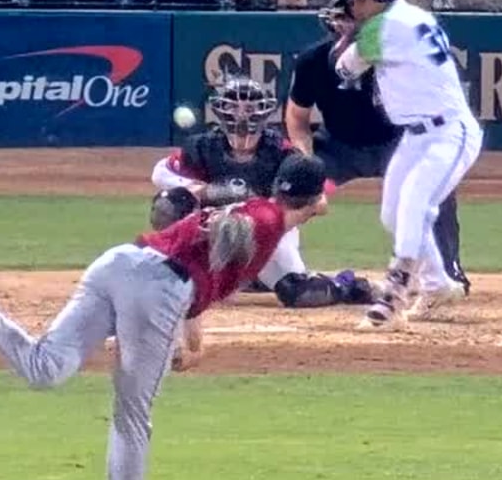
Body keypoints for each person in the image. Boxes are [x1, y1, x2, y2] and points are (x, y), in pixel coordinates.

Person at [0, 153, 334, 480]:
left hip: (119, 264)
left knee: (46, 369)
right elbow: (226, 231)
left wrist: (187, 331)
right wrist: (220, 230)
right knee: (133, 416)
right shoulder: (268, 221)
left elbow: (196, 248)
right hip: (157, 291)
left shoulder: (260, 209)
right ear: (317, 201)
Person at [284, 0, 471, 308]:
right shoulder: (313, 60)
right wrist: (307, 164)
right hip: (338, 147)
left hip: (396, 144)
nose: (347, 26)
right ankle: (273, 270)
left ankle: (447, 272)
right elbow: (297, 118)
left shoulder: (402, 59)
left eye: (354, 18)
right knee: (289, 183)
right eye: (341, 19)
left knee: (435, 192)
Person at [328, 0, 484, 330]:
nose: (355, 8)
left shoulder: (385, 26)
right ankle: (438, 285)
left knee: (416, 202)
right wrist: (355, 32)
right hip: (416, 135)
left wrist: (347, 35)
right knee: (393, 214)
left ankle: (394, 296)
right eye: (351, 2)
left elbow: (344, 68)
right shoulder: (410, 15)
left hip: (449, 131)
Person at [152, 74, 377, 308]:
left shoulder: (282, 153)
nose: (242, 114)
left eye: (249, 107)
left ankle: (345, 284)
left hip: (265, 236)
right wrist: (207, 191)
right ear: (221, 110)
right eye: (233, 106)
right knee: (169, 204)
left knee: (300, 293)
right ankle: (189, 265)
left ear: (262, 111)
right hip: (218, 232)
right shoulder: (202, 146)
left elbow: (319, 202)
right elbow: (160, 173)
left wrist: (269, 213)